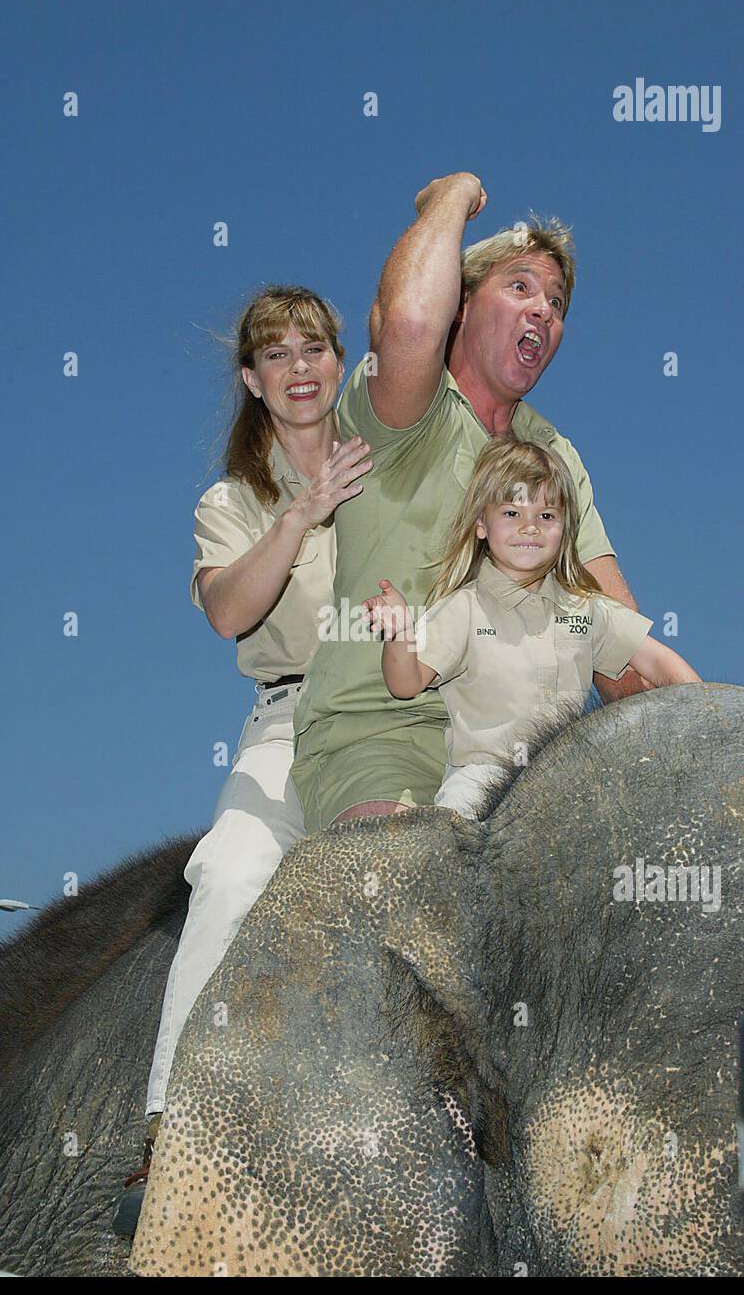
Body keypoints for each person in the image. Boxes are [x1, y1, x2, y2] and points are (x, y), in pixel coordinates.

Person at [112, 285, 373, 1235]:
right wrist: (302, 512)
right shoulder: (228, 499)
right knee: (225, 871)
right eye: (276, 354)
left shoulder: (390, 457)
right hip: (291, 715)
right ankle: (167, 1125)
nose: (298, 367)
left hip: (402, 711)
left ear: (339, 361)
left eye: (314, 347)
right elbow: (229, 612)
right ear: (251, 379)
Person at [290, 171, 651, 833]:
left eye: (557, 301)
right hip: (382, 730)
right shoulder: (405, 407)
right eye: (519, 286)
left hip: (520, 752)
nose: (544, 310)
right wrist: (450, 197)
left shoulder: (557, 458)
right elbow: (404, 322)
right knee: (403, 882)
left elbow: (615, 640)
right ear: (461, 304)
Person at [361, 436, 700, 818]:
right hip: (479, 779)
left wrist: (706, 714)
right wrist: (400, 634)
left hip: (566, 783)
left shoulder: (585, 609)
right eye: (511, 513)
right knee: (455, 860)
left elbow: (657, 660)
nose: (530, 527)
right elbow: (405, 683)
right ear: (481, 525)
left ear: (565, 529)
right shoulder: (463, 608)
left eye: (546, 516)